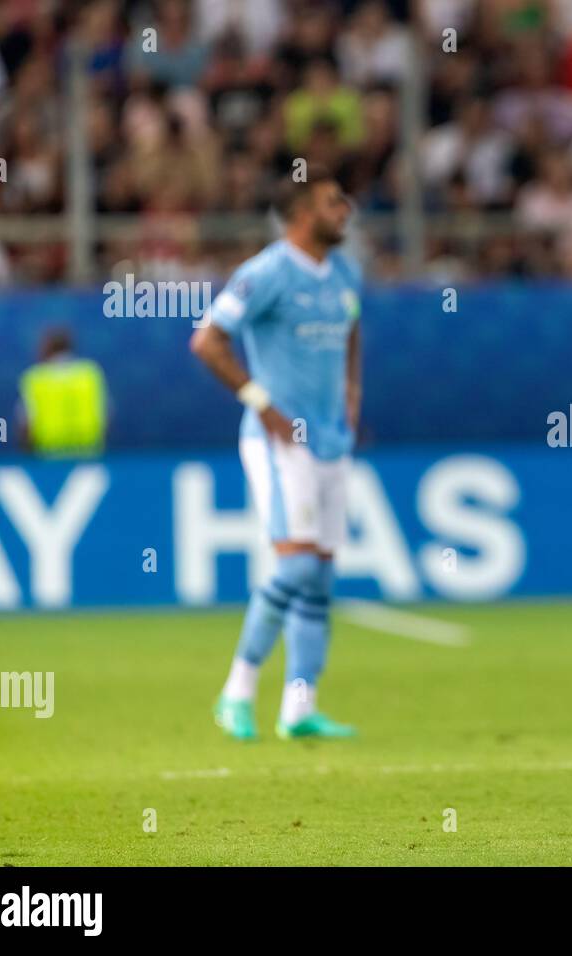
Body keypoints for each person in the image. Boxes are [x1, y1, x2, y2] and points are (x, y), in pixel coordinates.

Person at [189, 164, 362, 741]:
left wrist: (352, 399)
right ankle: (235, 692)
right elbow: (207, 340)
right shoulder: (263, 273)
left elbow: (352, 335)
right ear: (302, 212)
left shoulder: (345, 273)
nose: (346, 210)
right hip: (279, 442)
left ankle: (298, 707)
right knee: (297, 565)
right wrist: (261, 405)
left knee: (319, 581)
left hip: (332, 442)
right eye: (334, 202)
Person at [17, 327, 109, 458]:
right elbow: (105, 414)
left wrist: (28, 457)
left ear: (46, 348)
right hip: (89, 454)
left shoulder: (34, 378)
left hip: (48, 456)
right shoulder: (90, 373)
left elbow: (26, 424)